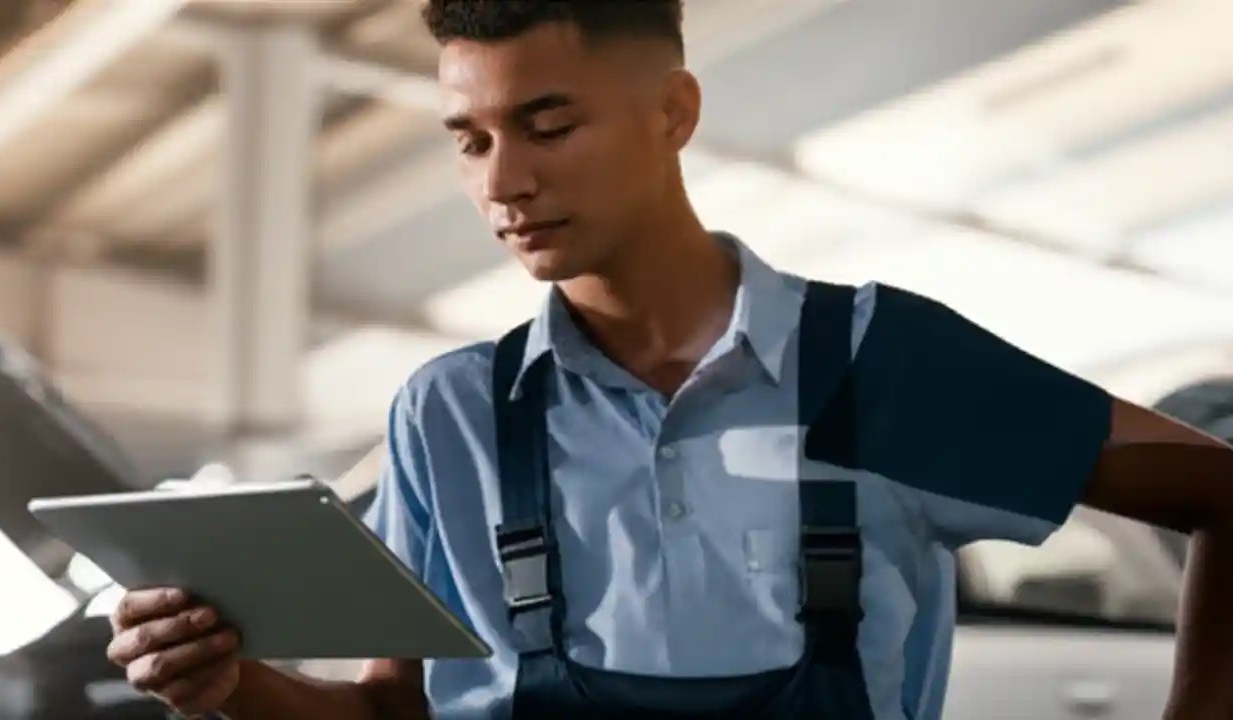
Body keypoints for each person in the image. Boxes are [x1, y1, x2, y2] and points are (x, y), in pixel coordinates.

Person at [105, 2, 1233, 718]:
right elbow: (398, 714)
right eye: (470, 139)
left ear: (672, 111)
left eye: (547, 125)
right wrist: (231, 688)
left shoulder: (874, 363)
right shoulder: (449, 414)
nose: (502, 184)